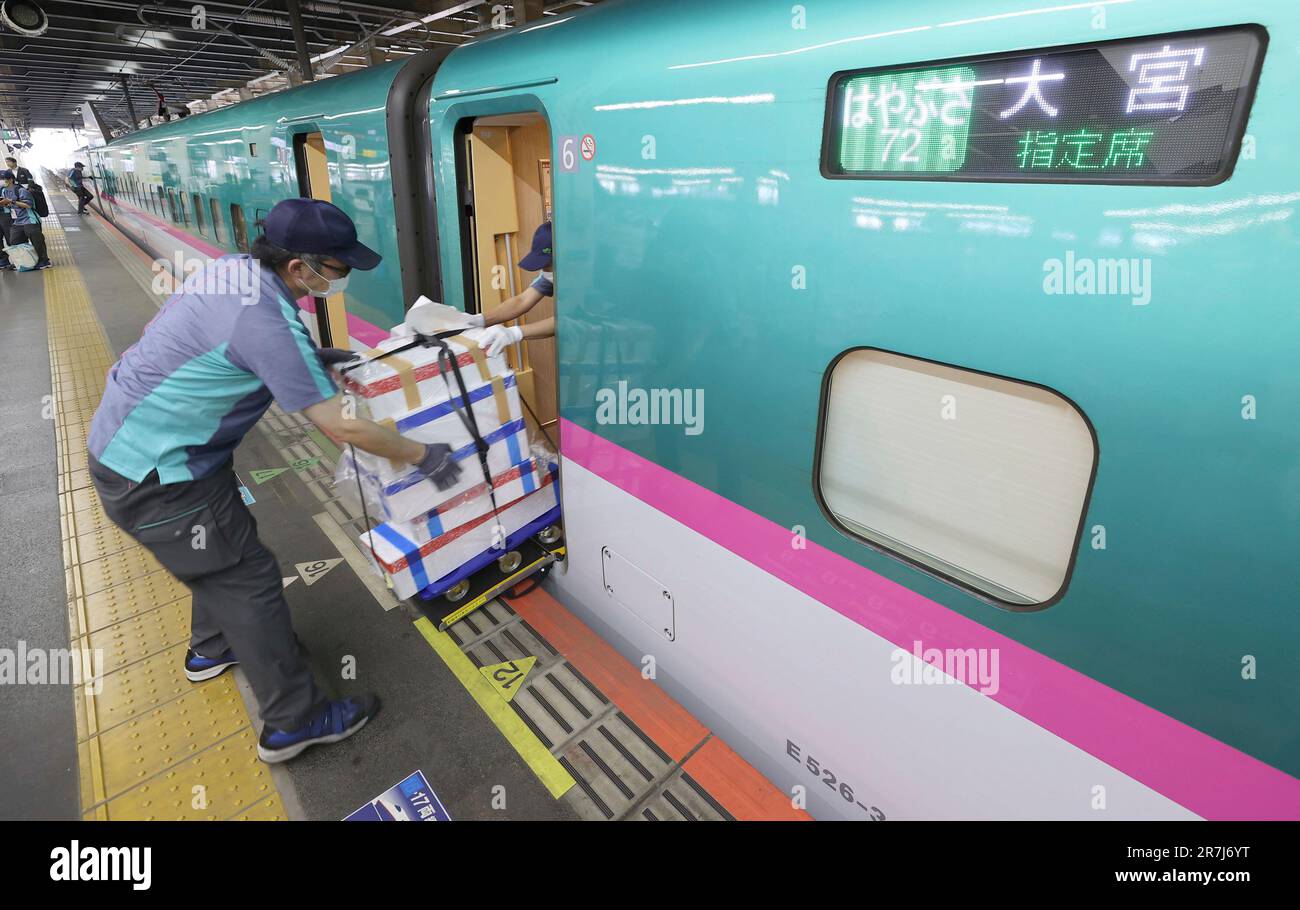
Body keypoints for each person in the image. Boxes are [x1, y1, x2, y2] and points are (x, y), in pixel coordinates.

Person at [87, 198, 463, 763]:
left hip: (142, 449)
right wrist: (423, 455)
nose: (342, 279)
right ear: (298, 267)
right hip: (160, 475)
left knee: (221, 556)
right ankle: (296, 721)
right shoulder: (264, 319)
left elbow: (227, 344)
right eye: (338, 270)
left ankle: (211, 648)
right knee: (248, 579)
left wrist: (309, 357)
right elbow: (343, 426)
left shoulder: (235, 271)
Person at [473, 221, 556, 356]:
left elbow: (571, 320)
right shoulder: (552, 275)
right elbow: (522, 301)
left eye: (547, 264)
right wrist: (479, 320)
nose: (544, 269)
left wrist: (515, 333)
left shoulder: (593, 281)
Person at [0, 168, 51, 270]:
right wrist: (5, 204)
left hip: (30, 220)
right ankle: (25, 261)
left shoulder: (21, 190)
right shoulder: (4, 191)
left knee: (37, 242)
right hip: (17, 222)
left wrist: (11, 201)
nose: (1, 181)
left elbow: (28, 205)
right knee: (15, 242)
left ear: (10, 180)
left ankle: (44, 261)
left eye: (2, 179)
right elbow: (9, 205)